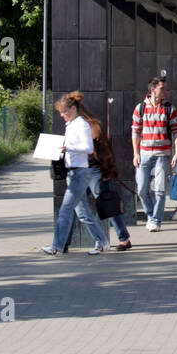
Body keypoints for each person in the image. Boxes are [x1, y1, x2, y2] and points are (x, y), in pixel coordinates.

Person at [41, 94, 109, 256]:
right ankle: (102, 242)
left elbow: (87, 147)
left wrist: (68, 147)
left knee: (65, 210)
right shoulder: (72, 124)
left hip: (80, 172)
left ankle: (56, 246)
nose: (62, 115)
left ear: (73, 109)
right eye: (60, 112)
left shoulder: (81, 124)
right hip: (74, 173)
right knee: (83, 212)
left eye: (64, 111)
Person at [69, 93, 133, 251]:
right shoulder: (75, 125)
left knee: (106, 203)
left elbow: (104, 152)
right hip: (83, 170)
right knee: (73, 204)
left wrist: (107, 172)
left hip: (94, 170)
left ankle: (124, 238)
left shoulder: (91, 127)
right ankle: (63, 241)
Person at [132, 77, 177, 232]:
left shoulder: (169, 109)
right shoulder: (140, 108)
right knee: (141, 188)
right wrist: (136, 153)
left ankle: (156, 220)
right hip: (144, 153)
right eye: (162, 88)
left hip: (163, 154)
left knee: (160, 189)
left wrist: (176, 154)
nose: (165, 91)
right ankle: (151, 214)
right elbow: (135, 132)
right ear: (153, 90)